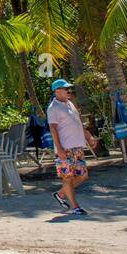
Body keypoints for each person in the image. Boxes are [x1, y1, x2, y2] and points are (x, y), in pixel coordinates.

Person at [46, 79, 91, 216]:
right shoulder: (53, 108)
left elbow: (77, 123)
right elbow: (52, 128)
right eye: (66, 89)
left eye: (69, 89)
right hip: (65, 148)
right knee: (67, 178)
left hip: (77, 147)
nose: (69, 91)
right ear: (57, 91)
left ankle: (60, 194)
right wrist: (59, 149)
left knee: (83, 176)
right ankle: (75, 207)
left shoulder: (70, 104)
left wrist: (89, 137)